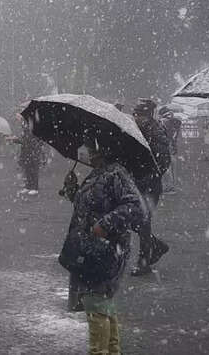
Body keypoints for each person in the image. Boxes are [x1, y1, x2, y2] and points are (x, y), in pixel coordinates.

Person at [61, 147, 147, 355]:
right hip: (90, 248)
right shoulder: (99, 172)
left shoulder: (115, 173)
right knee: (102, 304)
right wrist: (72, 189)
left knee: (96, 302)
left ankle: (100, 351)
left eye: (91, 147)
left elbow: (136, 208)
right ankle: (112, 351)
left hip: (105, 250)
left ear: (102, 150)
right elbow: (90, 207)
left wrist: (106, 224)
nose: (86, 151)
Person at [129, 99, 171, 277]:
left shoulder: (155, 131)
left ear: (147, 115)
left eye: (139, 115)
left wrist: (148, 175)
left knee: (143, 222)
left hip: (149, 185)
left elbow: (163, 160)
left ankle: (144, 262)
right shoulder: (137, 130)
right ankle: (156, 246)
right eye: (135, 114)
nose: (136, 117)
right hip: (138, 182)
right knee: (136, 220)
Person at [14, 122, 46, 195]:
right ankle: (28, 186)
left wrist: (16, 139)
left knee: (33, 170)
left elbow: (29, 140)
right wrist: (15, 139)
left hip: (33, 152)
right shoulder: (25, 126)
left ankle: (34, 188)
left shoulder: (33, 126)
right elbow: (24, 140)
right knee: (27, 169)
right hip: (27, 152)